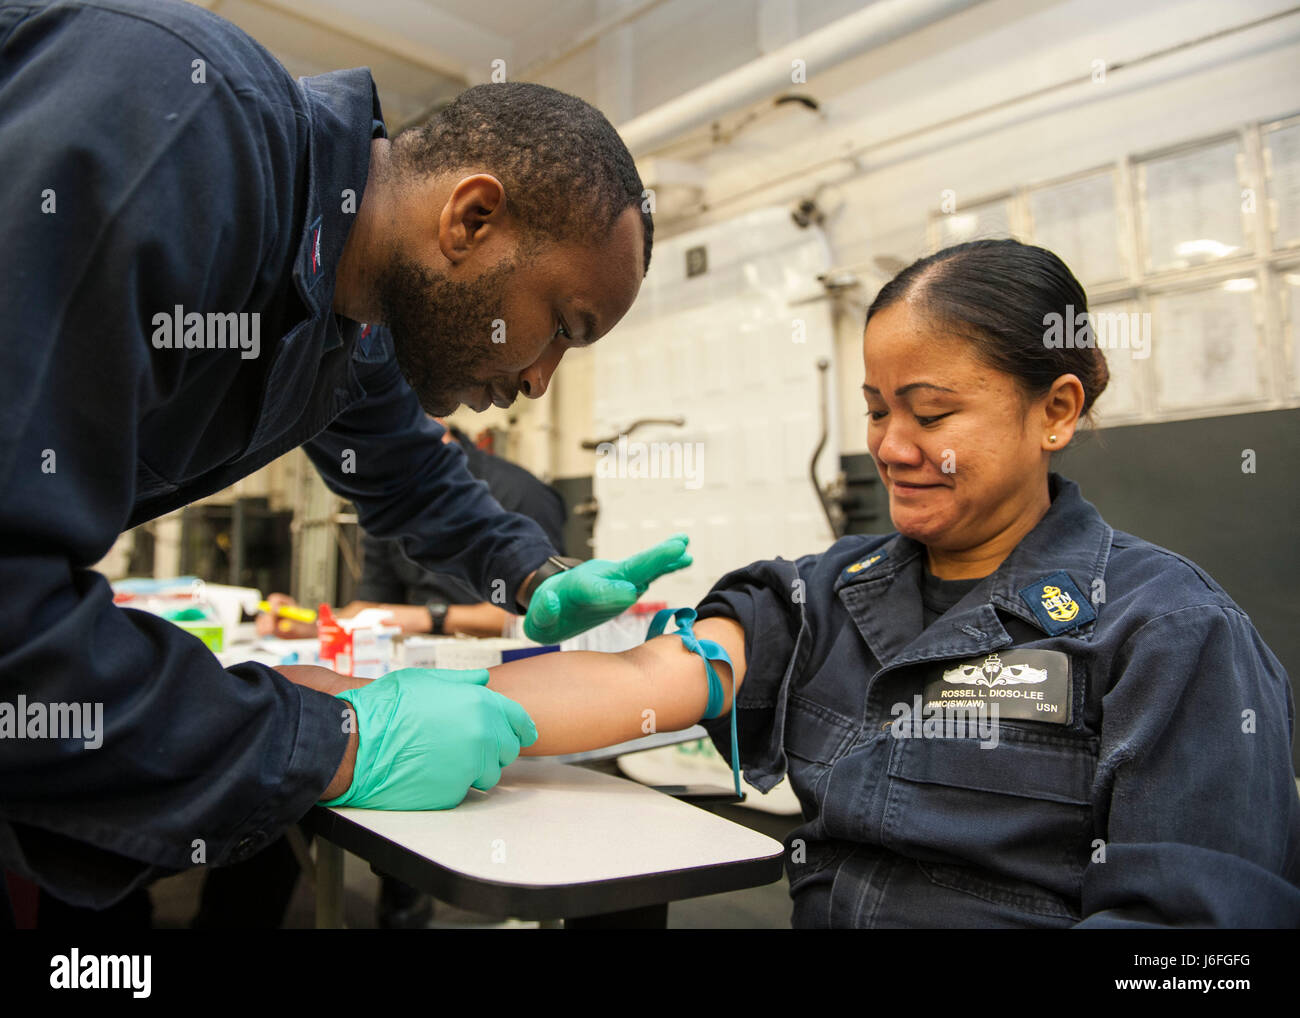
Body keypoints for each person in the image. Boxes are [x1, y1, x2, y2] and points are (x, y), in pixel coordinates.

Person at [355, 239, 1300, 927]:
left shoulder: (1169, 634)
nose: (891, 447)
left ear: (1055, 411)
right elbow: (643, 684)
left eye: (931, 413)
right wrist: (373, 716)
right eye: (876, 410)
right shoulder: (826, 595)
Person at [0, 0, 689, 923]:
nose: (538, 382)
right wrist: (333, 738)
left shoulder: (347, 324)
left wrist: (534, 573)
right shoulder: (180, 120)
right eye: (560, 327)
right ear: (472, 217)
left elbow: (411, 477)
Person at [258, 421, 568, 642]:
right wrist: (315, 626)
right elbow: (372, 606)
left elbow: (540, 609)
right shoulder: (389, 493)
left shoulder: (521, 492)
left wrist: (428, 618)